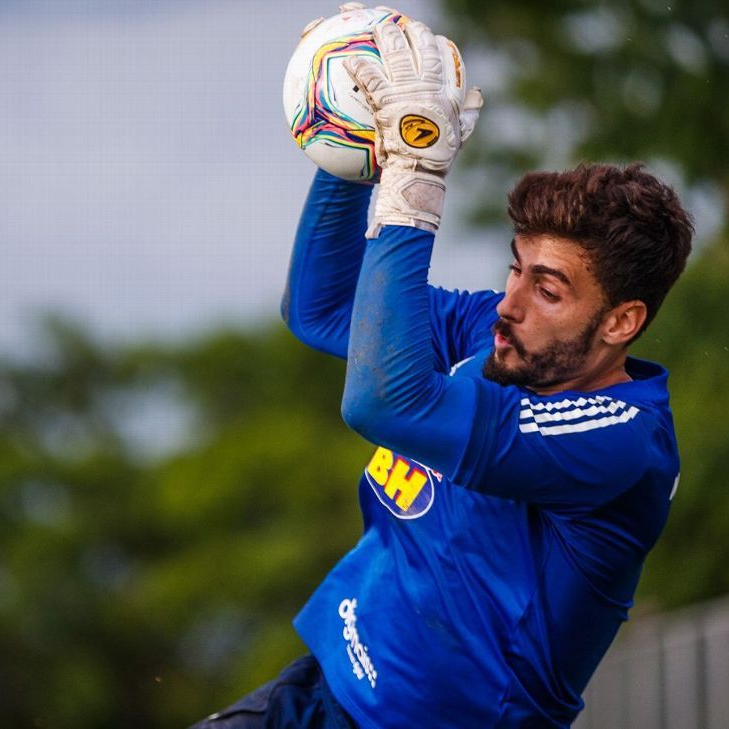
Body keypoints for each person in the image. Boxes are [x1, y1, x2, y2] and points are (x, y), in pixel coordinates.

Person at [192, 8, 693, 728]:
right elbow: (321, 306)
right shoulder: (498, 333)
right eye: (514, 270)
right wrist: (363, 148)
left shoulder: (621, 440)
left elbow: (384, 404)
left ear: (622, 321)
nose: (510, 303)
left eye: (547, 289)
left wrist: (417, 176)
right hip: (315, 697)